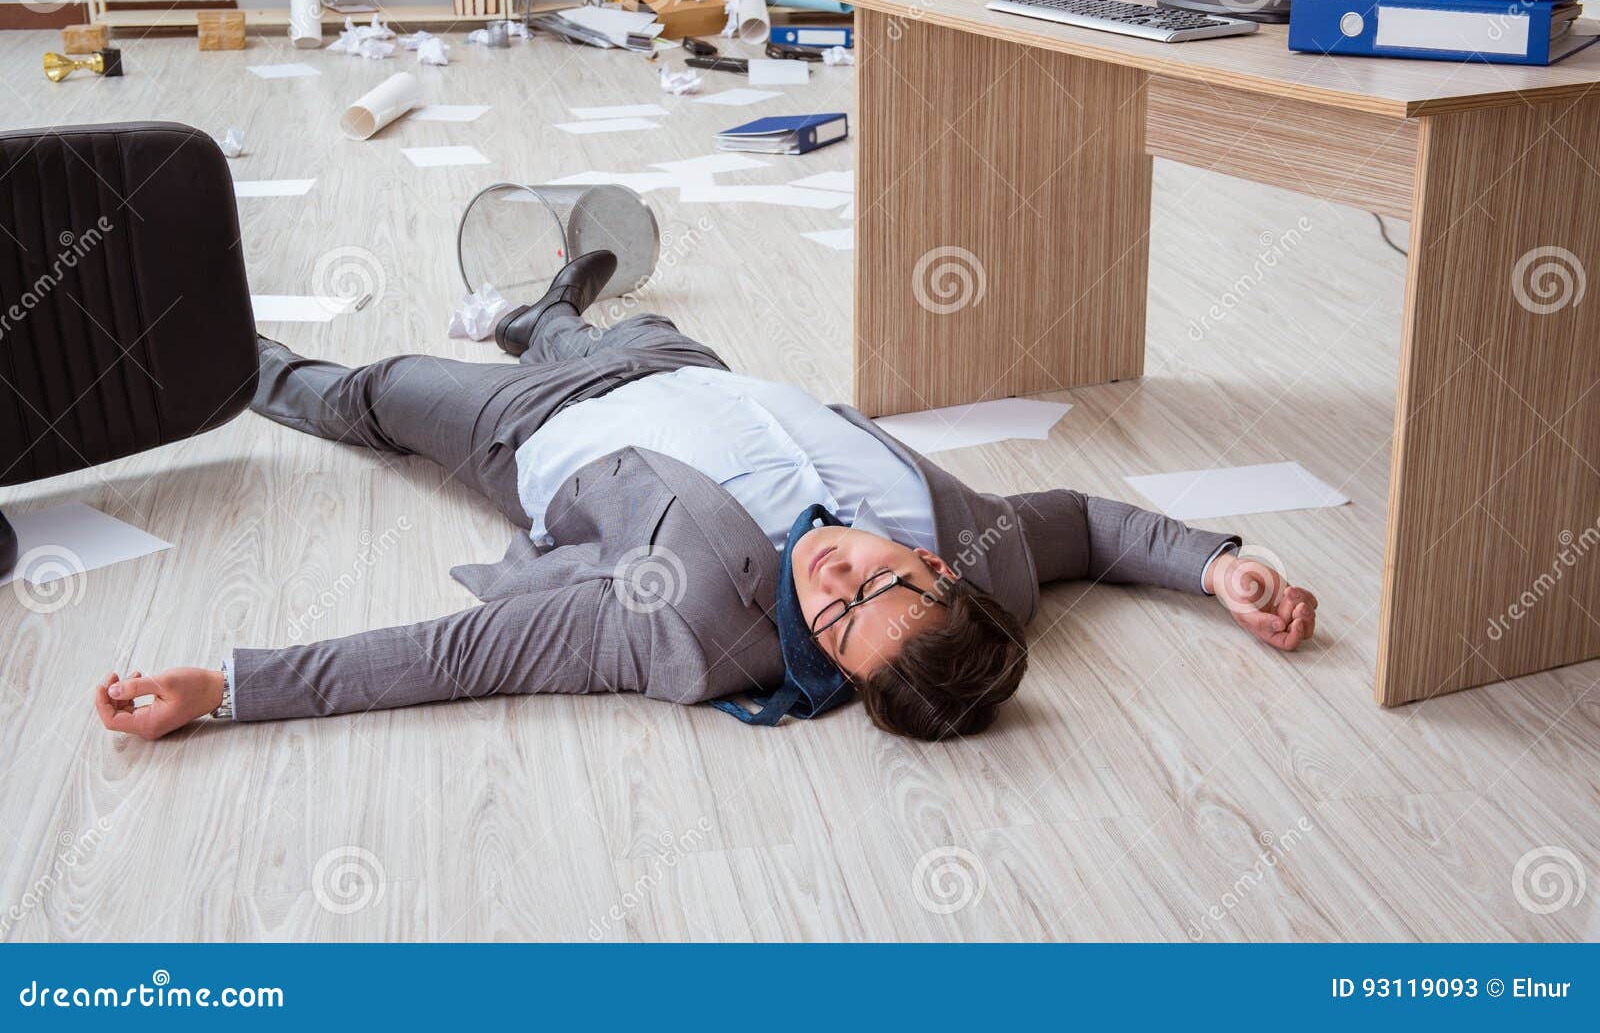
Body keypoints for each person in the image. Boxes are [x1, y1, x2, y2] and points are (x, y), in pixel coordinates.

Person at [94, 251, 1317, 744]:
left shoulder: (681, 623)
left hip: (537, 429)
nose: (831, 578)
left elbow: (453, 655)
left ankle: (213, 354)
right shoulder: (987, 558)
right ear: (938, 573)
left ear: (831, 667)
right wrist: (1216, 569)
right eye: (877, 579)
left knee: (379, 389)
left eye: (838, 621)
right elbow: (1095, 524)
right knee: (636, 329)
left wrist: (228, 690)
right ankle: (544, 312)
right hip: (683, 375)